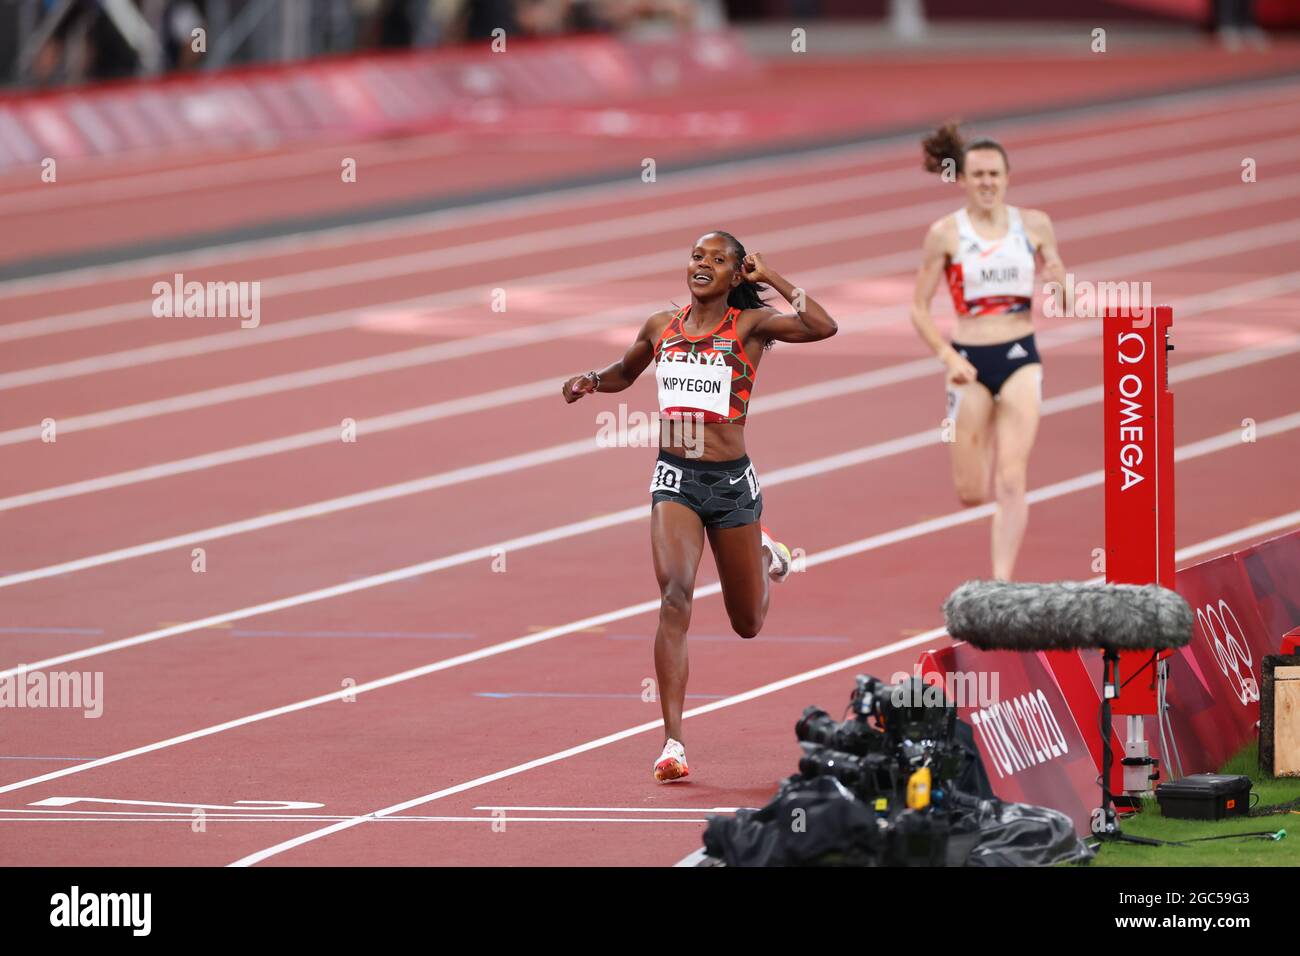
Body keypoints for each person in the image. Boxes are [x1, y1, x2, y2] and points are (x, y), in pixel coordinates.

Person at [562, 230, 837, 781]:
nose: (703, 264)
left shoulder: (751, 326)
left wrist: (773, 276)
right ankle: (673, 743)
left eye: (718, 260)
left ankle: (765, 556)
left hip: (732, 484)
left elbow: (822, 326)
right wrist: (593, 381)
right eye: (696, 256)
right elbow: (625, 372)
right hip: (676, 477)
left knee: (747, 624)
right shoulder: (659, 327)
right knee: (674, 595)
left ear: (737, 274)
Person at [909, 123, 1067, 581]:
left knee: (1012, 478)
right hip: (968, 363)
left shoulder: (1035, 225)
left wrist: (1060, 276)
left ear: (1007, 177)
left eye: (994, 174)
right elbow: (918, 308)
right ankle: (983, 423)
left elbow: (1068, 296)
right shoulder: (945, 234)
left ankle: (1001, 583)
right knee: (971, 491)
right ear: (961, 179)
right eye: (977, 175)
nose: (986, 183)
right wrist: (948, 356)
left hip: (1020, 356)